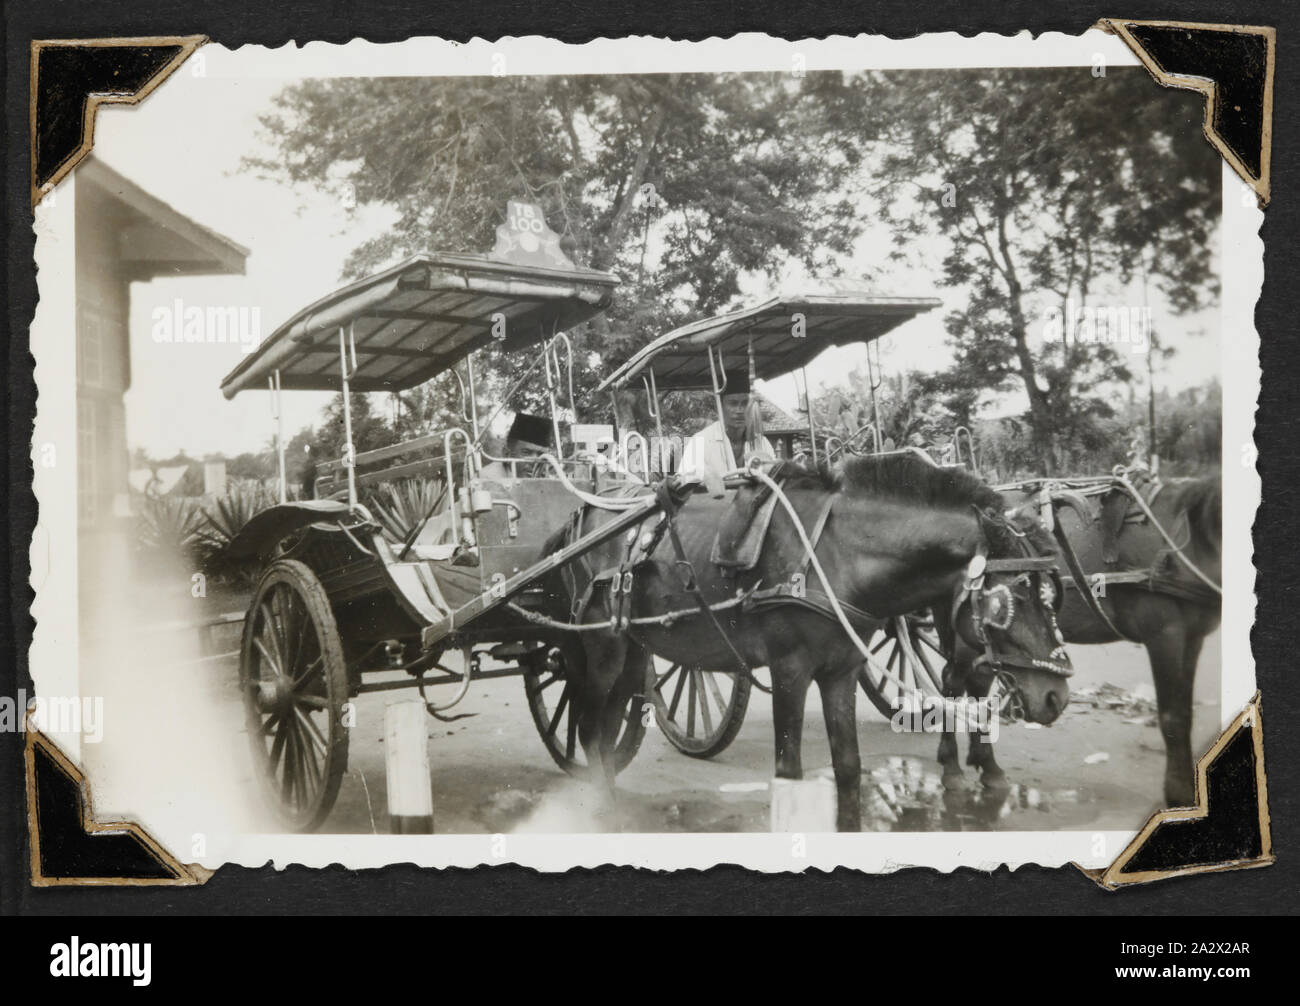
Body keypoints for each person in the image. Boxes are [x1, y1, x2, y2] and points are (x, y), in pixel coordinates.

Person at [678, 371, 774, 481]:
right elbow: (685, 483)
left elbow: (775, 478)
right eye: (733, 403)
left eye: (744, 403)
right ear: (719, 406)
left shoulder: (761, 442)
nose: (739, 410)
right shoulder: (700, 441)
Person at [479, 412, 553, 481]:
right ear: (506, 454)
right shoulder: (489, 479)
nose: (535, 462)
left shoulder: (550, 481)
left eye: (541, 455)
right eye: (526, 452)